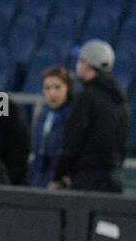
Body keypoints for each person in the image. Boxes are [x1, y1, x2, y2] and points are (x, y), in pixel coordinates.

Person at [51, 40, 129, 192]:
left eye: (80, 60)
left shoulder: (86, 98)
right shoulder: (120, 100)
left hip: (88, 180)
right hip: (114, 177)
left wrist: (58, 176)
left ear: (87, 65)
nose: (77, 65)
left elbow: (73, 141)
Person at [28, 66, 73, 188]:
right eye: (47, 88)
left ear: (67, 88)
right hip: (37, 180)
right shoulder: (42, 114)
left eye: (57, 87)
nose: (52, 93)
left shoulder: (72, 116)